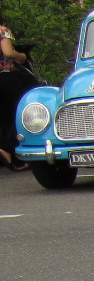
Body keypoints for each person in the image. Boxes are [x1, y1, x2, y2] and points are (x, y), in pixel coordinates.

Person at [0, 18, 35, 171]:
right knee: (25, 106)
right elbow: (7, 52)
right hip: (6, 76)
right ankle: (7, 149)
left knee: (5, 115)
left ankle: (13, 157)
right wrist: (22, 56)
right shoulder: (2, 30)